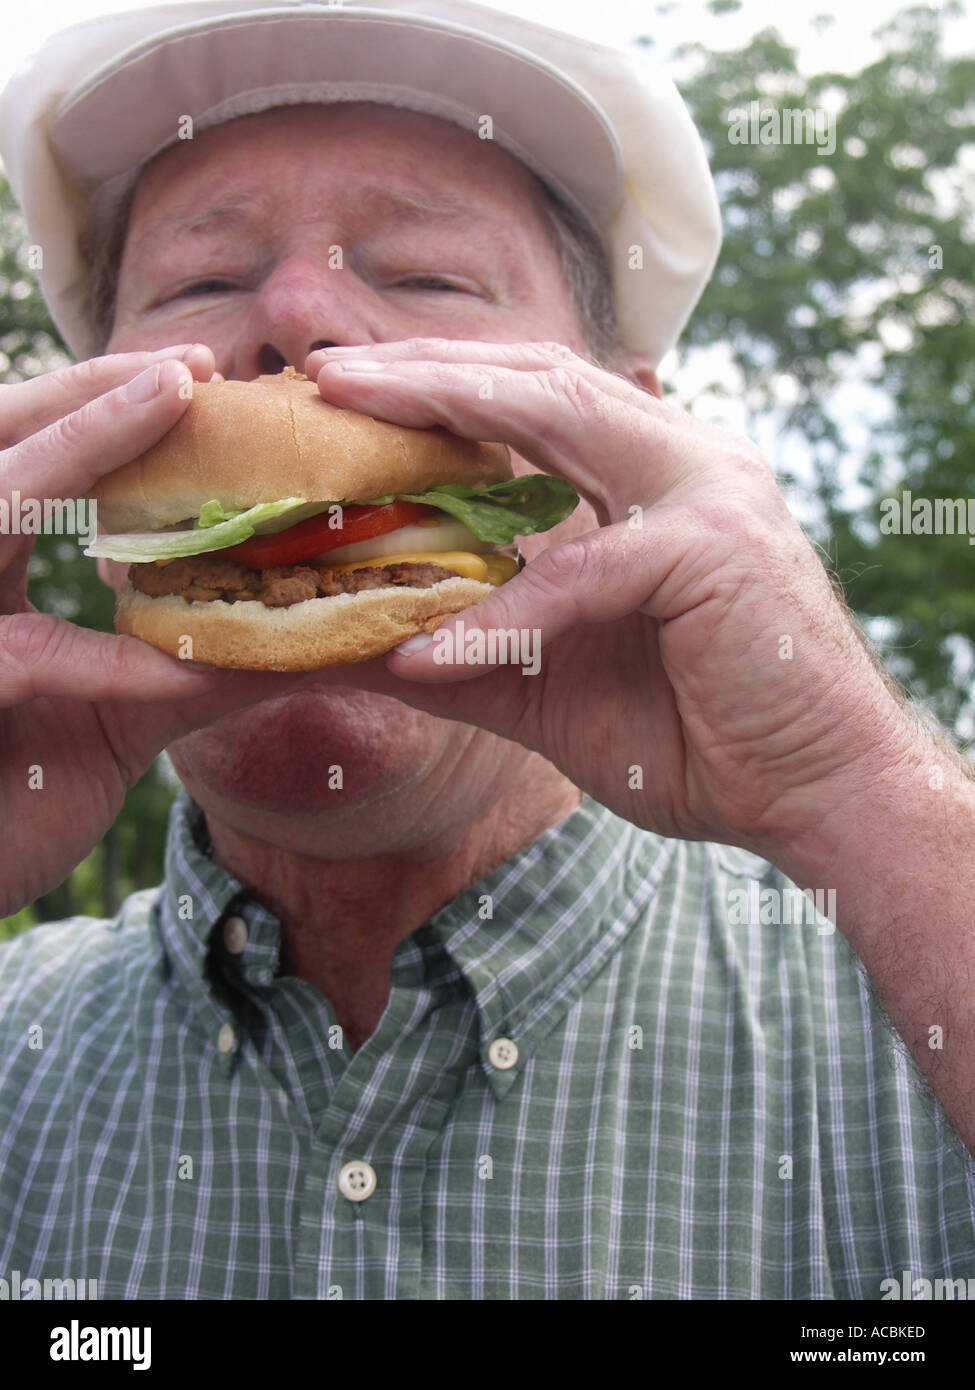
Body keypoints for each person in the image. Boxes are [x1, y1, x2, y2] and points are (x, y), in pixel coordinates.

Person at [0, 0, 973, 1301]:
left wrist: (853, 788)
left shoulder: (901, 1022)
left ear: (618, 449)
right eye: (202, 283)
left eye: (427, 277)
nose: (297, 315)